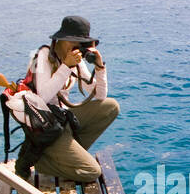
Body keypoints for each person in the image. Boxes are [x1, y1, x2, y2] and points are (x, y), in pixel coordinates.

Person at [18, 15, 120, 182]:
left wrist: (100, 67)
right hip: (47, 126)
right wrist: (66, 66)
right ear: (62, 40)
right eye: (75, 41)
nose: (78, 46)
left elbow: (100, 95)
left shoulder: (75, 59)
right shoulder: (43, 56)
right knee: (91, 172)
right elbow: (42, 98)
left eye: (81, 43)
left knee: (111, 106)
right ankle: (43, 163)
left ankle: (69, 154)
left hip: (63, 120)